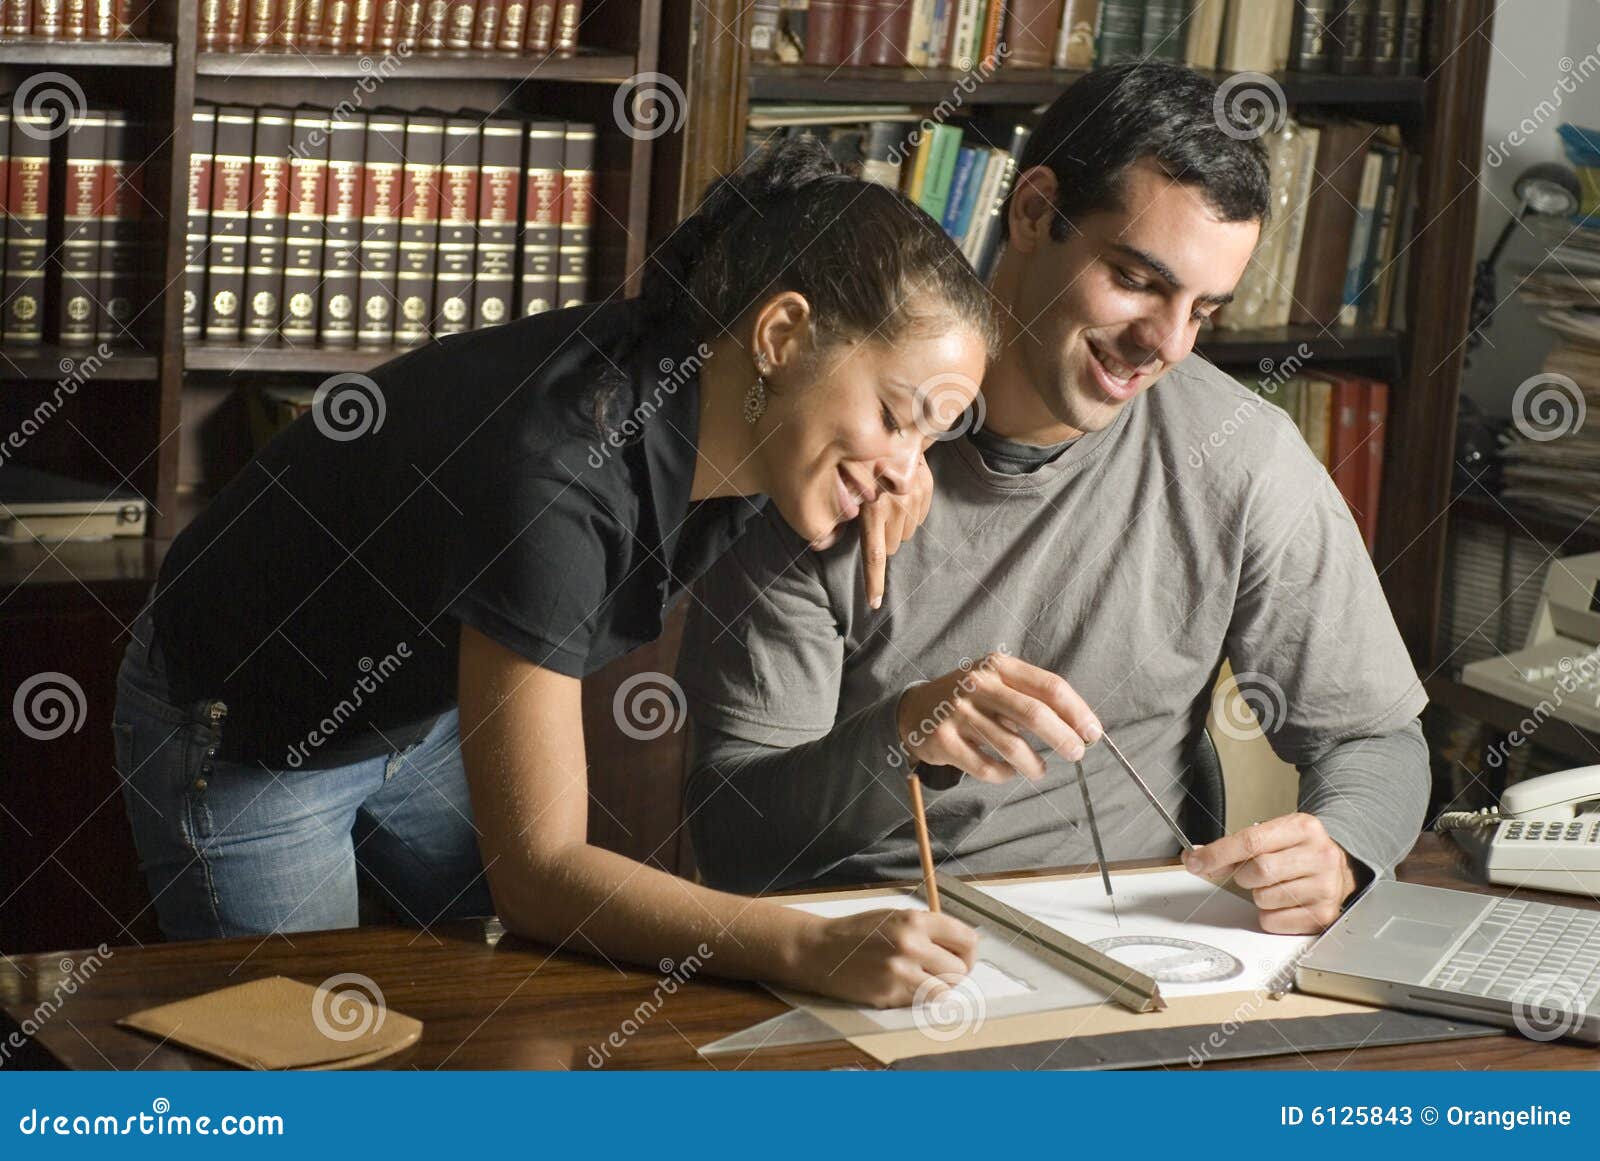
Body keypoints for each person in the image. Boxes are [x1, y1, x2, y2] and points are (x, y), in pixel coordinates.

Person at [114, 136, 997, 1007]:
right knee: (308, 1054)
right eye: (895, 416)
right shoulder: (561, 474)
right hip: (251, 728)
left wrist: (885, 458)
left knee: (511, 1003)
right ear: (781, 334)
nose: (907, 468)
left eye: (930, 435)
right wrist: (806, 943)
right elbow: (538, 878)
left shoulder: (730, 391)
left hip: (418, 716)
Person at [680, 61, 1430, 935]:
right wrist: (902, 734)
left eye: (1203, 310)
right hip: (874, 950)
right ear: (1034, 212)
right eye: (1137, 280)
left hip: (1144, 950)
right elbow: (733, 840)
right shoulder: (836, 449)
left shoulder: (1245, 456)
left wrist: (1341, 848)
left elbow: (1373, 740)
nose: (1165, 343)